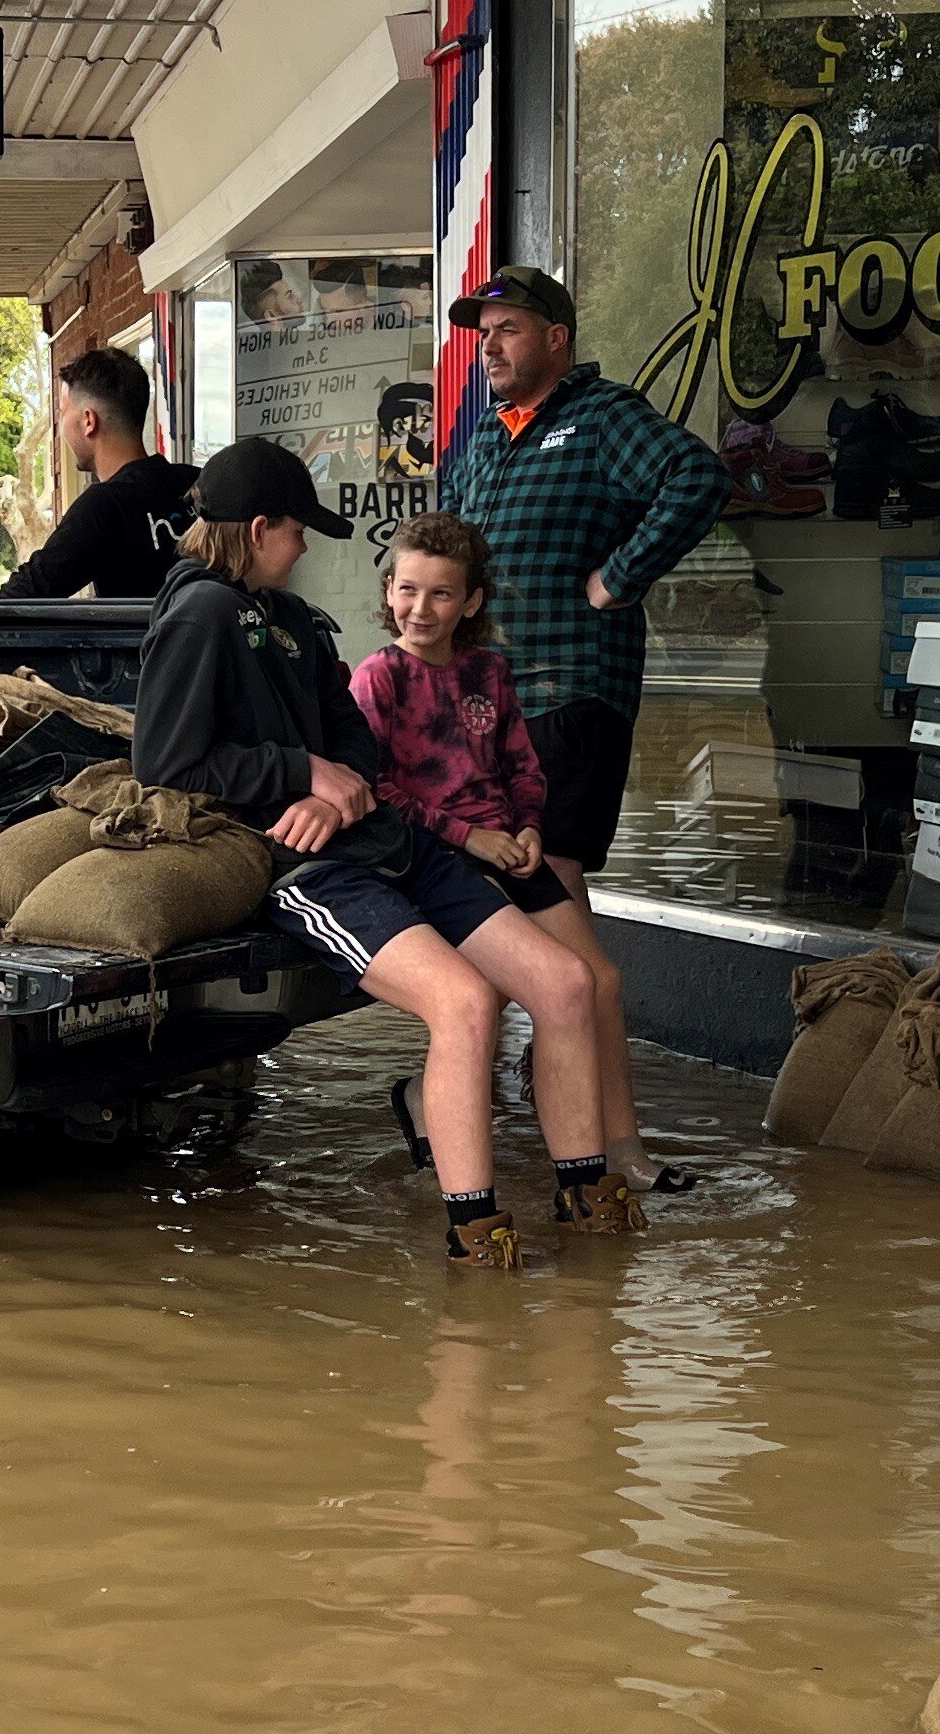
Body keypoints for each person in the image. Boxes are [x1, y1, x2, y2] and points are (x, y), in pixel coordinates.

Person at [134, 437, 638, 1270]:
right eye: (299, 532)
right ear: (260, 529)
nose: (306, 548)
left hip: (388, 842)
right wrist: (301, 776)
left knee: (569, 982)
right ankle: (479, 1240)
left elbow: (357, 748)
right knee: (467, 1003)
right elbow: (165, 761)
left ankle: (590, 1204)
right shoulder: (197, 615)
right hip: (310, 866)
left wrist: (335, 782)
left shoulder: (291, 618)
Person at [436, 265, 728, 1181]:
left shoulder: (601, 417)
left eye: (509, 329)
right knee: (518, 922)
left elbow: (697, 476)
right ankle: (521, 1110)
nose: (490, 346)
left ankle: (617, 1146)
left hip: (567, 703)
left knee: (562, 928)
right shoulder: (484, 441)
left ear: (556, 337)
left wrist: (620, 577)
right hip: (487, 713)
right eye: (483, 333)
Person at [347, 515, 681, 1196]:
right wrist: (472, 838)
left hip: (507, 849)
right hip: (435, 856)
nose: (421, 608)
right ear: (388, 592)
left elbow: (521, 767)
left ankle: (612, 1152)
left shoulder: (488, 672)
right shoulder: (378, 679)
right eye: (408, 590)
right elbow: (374, 791)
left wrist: (528, 827)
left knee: (598, 982)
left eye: (442, 594)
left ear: (471, 602)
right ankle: (548, 1156)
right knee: (519, 989)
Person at [0, 345, 193, 599]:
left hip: (148, 640)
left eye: (63, 413)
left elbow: (20, 599)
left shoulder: (104, 507)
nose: (61, 426)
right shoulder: (198, 483)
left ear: (88, 421)